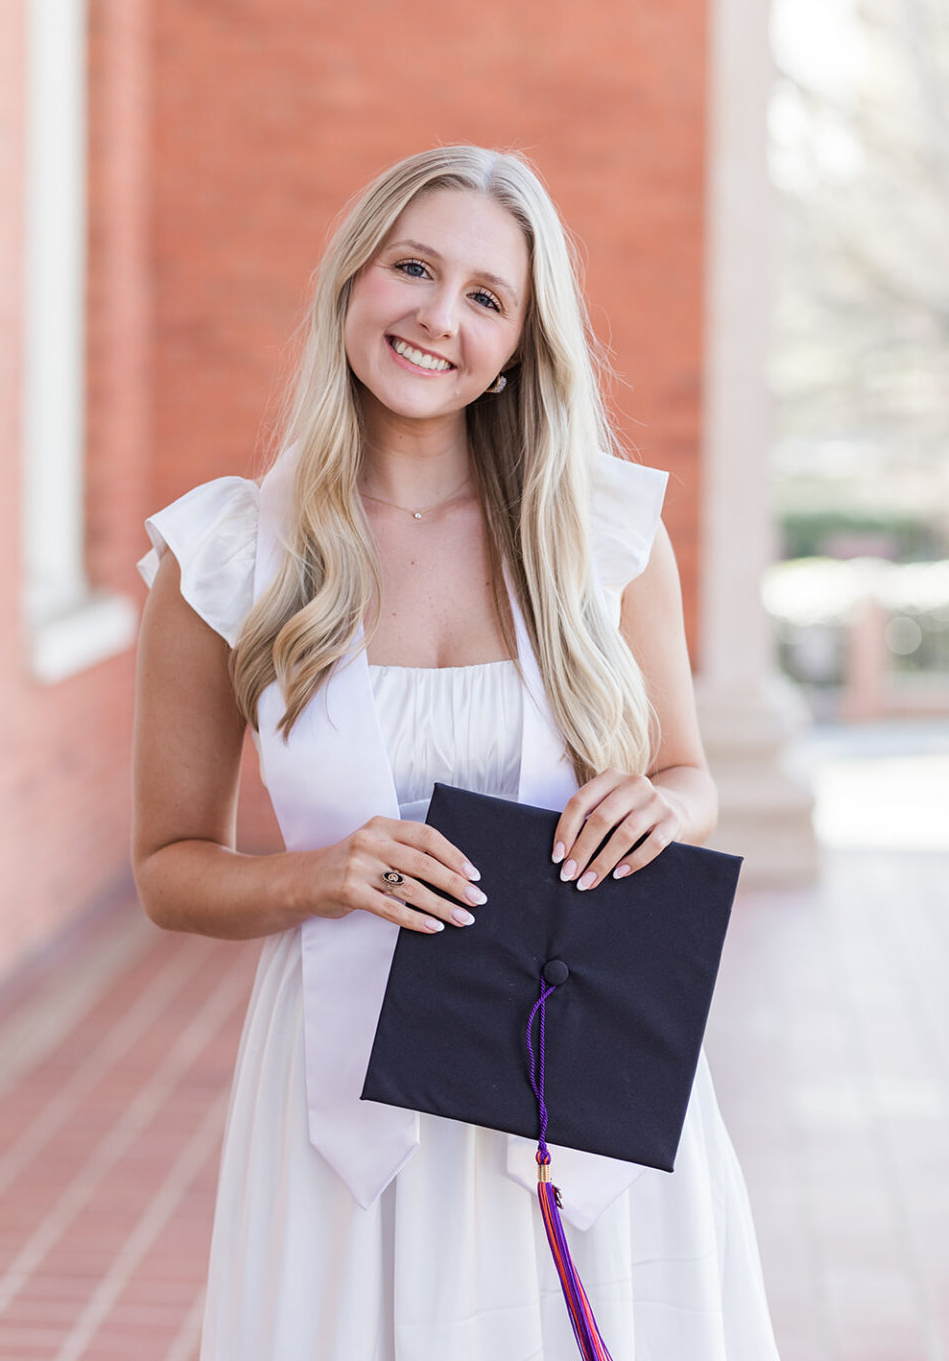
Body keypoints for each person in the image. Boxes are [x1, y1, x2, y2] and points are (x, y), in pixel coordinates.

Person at [131, 144, 780, 1360]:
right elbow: (168, 869)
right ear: (351, 280)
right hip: (345, 1098)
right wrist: (316, 877)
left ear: (520, 344)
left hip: (581, 1074)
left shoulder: (599, 531)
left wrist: (664, 811)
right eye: (413, 269)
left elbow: (688, 778)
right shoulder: (224, 555)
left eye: (486, 296)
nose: (439, 317)